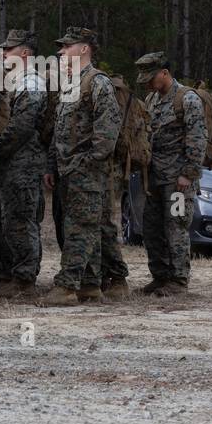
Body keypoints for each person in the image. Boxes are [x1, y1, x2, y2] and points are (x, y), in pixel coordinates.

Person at [42, 27, 120, 306]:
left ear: (84, 49)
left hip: (86, 172)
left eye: (67, 46)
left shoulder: (98, 83)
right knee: (82, 226)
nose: (61, 52)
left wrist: (86, 164)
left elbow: (107, 133)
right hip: (68, 170)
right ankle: (89, 284)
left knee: (80, 228)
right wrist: (53, 165)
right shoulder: (71, 83)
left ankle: (66, 286)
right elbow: (60, 130)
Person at [135, 51, 207, 296]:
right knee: (151, 227)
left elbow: (198, 140)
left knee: (175, 227)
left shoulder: (187, 99)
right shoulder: (152, 99)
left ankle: (178, 280)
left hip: (177, 181)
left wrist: (188, 174)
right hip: (154, 178)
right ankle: (160, 276)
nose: (147, 81)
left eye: (151, 76)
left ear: (165, 73)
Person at [0, 30, 47, 297]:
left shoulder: (31, 83)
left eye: (9, 50)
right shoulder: (18, 82)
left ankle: (25, 280)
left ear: (24, 53)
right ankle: (19, 275)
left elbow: (20, 127)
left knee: (21, 221)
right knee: (13, 221)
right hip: (16, 164)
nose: (4, 55)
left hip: (24, 164)